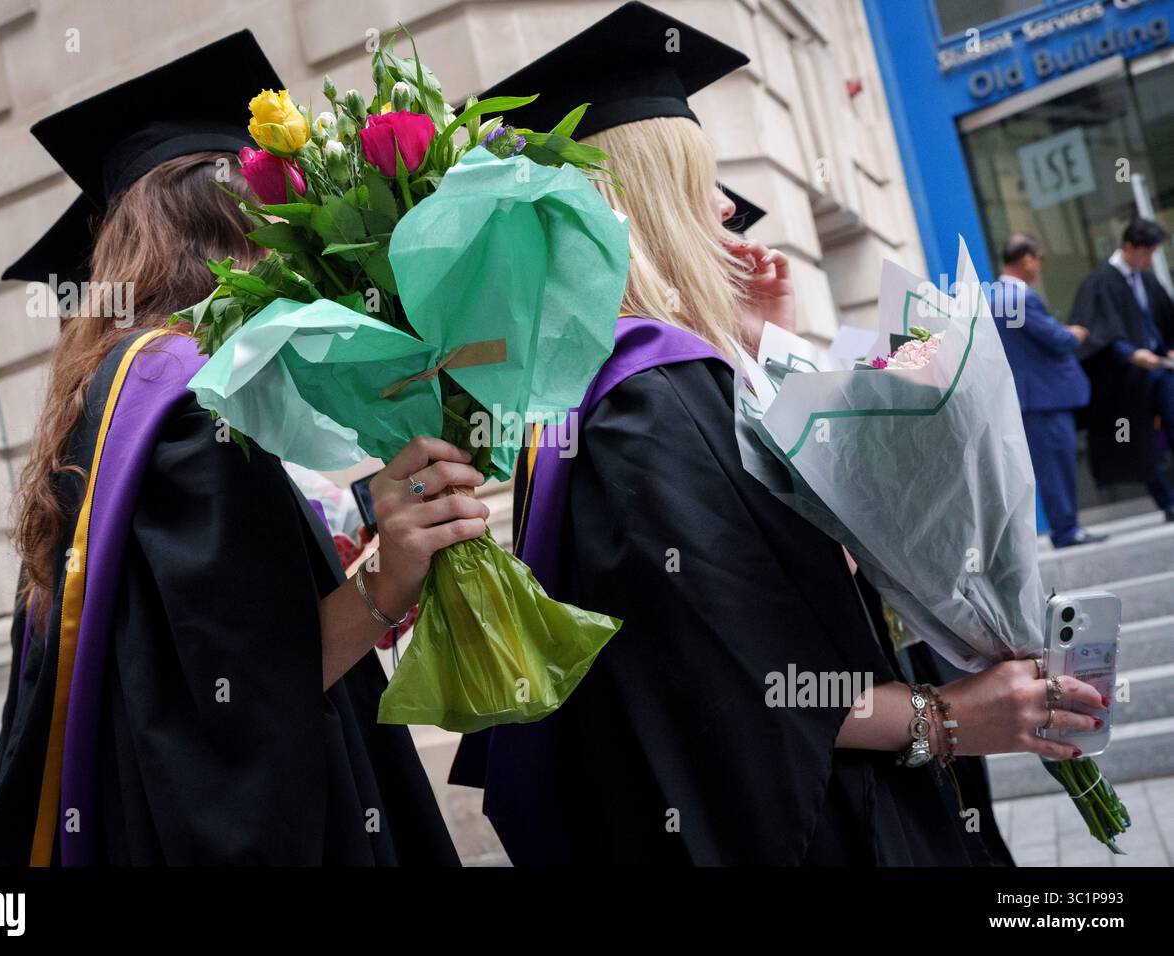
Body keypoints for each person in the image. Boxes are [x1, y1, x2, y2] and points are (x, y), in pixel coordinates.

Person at [450, 1, 1102, 866]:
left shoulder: (596, 396)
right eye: (696, 181)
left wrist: (765, 346)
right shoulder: (648, 407)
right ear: (639, 204)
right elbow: (736, 681)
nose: (724, 205)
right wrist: (947, 720)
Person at [0, 31, 483, 866]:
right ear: (235, 224)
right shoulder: (187, 394)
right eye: (279, 217)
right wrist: (389, 581)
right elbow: (245, 692)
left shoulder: (118, 391)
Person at [991, 234, 1103, 548]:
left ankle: (1068, 528)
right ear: (1027, 259)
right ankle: (1067, 530)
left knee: (1053, 465)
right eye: (1038, 259)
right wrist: (1074, 334)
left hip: (1035, 397)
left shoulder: (999, 295)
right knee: (1056, 465)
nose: (1038, 266)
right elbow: (1056, 339)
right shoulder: (1017, 296)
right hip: (1043, 398)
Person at [1071, 217, 1174, 520]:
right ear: (1128, 247)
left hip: (1161, 369)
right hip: (1125, 378)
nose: (1149, 259)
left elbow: (1165, 320)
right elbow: (1097, 331)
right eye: (1146, 253)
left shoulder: (1148, 279)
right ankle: (1167, 501)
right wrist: (1131, 354)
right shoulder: (1100, 281)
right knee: (1141, 444)